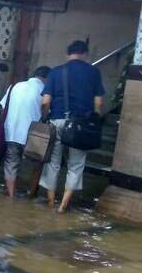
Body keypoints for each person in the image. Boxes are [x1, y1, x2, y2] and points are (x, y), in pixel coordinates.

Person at [39, 40, 105, 213]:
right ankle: (63, 206)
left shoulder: (55, 72)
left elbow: (45, 102)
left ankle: (51, 201)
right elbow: (99, 102)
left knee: (52, 163)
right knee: (76, 164)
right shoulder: (93, 72)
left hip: (57, 121)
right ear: (85, 54)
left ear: (67, 55)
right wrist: (95, 120)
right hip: (80, 124)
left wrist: (45, 118)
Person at [0, 66, 51, 197]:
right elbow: (46, 107)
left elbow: (3, 108)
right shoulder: (44, 90)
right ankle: (31, 195)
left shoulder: (14, 86)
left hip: (12, 131)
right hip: (33, 133)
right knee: (37, 164)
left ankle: (11, 195)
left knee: (11, 163)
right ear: (46, 78)